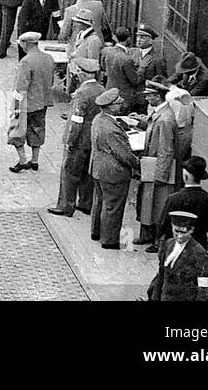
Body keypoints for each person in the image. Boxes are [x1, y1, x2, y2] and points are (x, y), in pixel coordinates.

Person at [46, 52, 101, 217]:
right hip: (92, 138)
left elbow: (76, 121)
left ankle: (65, 205)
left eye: (78, 72)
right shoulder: (101, 89)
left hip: (78, 140)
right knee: (87, 172)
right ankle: (85, 203)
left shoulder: (81, 94)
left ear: (83, 74)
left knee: (69, 172)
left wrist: (70, 141)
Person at [90, 87, 139, 250]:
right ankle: (109, 240)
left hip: (98, 168)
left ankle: (97, 232)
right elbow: (123, 155)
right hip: (113, 173)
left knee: (101, 202)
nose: (121, 104)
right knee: (113, 206)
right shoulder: (111, 129)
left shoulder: (99, 119)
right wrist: (138, 164)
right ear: (110, 106)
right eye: (118, 102)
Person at [134, 80, 178, 251]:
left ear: (158, 96)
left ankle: (158, 241)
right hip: (152, 166)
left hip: (158, 169)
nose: (146, 99)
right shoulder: (160, 113)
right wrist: (139, 122)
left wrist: (161, 175)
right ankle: (148, 235)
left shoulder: (166, 119)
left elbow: (166, 149)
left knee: (158, 206)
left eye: (149, 96)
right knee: (147, 203)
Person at [8, 31, 54, 173]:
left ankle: (22, 160)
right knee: (38, 129)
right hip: (43, 102)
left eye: (21, 44)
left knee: (16, 130)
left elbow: (21, 86)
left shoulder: (26, 61)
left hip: (27, 104)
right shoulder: (48, 58)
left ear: (26, 44)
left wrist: (15, 105)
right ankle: (35, 161)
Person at [147, 212, 208, 301]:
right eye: (176, 231)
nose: (179, 236)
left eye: (184, 232)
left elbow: (205, 289)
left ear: (191, 230)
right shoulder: (168, 244)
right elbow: (161, 275)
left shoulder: (200, 254)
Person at [159, 156, 208, 250]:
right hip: (199, 246)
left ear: (185, 176)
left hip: (175, 247)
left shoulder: (173, 199)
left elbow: (162, 226)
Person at [102, 27, 142, 109]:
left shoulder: (107, 52)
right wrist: (142, 68)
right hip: (123, 97)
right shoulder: (127, 59)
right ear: (128, 38)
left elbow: (103, 67)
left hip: (109, 91)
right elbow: (135, 80)